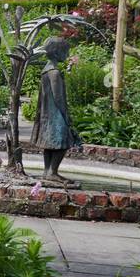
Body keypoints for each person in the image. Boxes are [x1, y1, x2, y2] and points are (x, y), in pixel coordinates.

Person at [30, 36, 82, 183]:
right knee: (62, 143)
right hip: (56, 115)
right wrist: (66, 117)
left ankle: (47, 171)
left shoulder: (45, 71)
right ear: (57, 52)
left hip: (47, 114)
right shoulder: (54, 73)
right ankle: (52, 171)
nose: (67, 55)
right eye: (65, 52)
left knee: (49, 143)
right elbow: (59, 98)